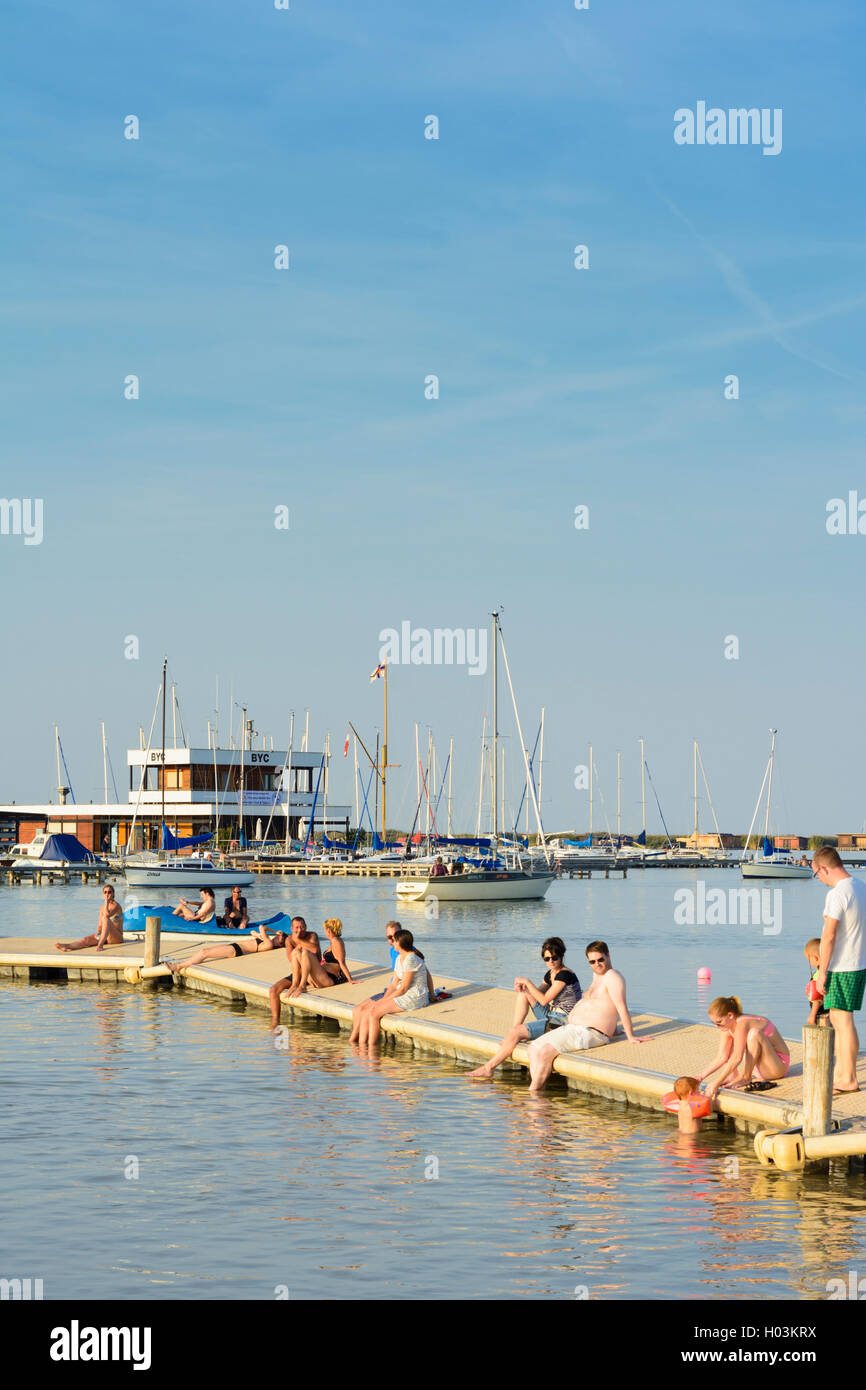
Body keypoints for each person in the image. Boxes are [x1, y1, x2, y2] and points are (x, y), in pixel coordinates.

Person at [524, 941, 643, 1092]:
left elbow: (621, 1007)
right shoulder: (597, 976)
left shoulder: (613, 977)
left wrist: (630, 1035)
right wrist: (614, 1027)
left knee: (546, 1051)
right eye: (592, 962)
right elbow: (602, 1005)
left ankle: (534, 1095)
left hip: (591, 1032)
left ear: (608, 955)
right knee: (533, 1048)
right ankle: (539, 1092)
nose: (597, 964)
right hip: (574, 1028)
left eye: (600, 959)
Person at [466, 937, 581, 1078]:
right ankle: (512, 1034)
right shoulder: (550, 973)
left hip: (562, 1021)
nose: (551, 961)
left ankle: (489, 1068)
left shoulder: (565, 975)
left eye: (554, 958)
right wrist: (524, 988)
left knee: (518, 1030)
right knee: (524, 993)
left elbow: (544, 1000)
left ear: (562, 956)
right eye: (547, 959)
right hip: (552, 1015)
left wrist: (527, 981)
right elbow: (536, 993)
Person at [812, 845, 866, 1094]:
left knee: (841, 1020)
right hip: (858, 963)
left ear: (824, 868)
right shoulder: (861, 886)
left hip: (843, 965)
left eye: (816, 874)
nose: (819, 879)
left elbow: (829, 935)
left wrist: (822, 971)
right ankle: (845, 1074)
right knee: (842, 1019)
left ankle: (848, 1079)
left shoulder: (838, 894)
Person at [351, 929, 430, 1046]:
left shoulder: (411, 959)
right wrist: (383, 999)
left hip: (414, 996)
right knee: (370, 1008)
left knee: (374, 1013)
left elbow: (403, 988)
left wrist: (384, 1001)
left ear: (400, 943)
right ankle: (360, 1044)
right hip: (404, 993)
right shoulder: (399, 958)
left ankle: (370, 1049)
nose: (392, 942)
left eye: (395, 940)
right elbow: (394, 984)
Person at [698, 996, 789, 1097]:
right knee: (735, 1043)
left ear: (730, 1015)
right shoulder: (727, 1026)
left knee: (754, 1033)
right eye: (714, 1023)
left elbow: (737, 1057)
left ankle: (745, 1077)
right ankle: (736, 1075)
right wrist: (700, 1077)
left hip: (777, 1067)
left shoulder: (743, 1024)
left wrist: (717, 1082)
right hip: (760, 1068)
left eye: (719, 1022)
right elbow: (722, 1057)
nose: (717, 1026)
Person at [165, 926, 287, 974]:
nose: (277, 936)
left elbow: (261, 927)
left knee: (204, 953)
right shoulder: (267, 941)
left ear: (280, 944)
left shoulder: (269, 944)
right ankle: (181, 964)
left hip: (236, 950)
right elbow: (253, 931)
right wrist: (258, 935)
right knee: (204, 950)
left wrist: (273, 931)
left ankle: (178, 966)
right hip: (234, 947)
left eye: (279, 937)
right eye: (278, 935)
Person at [268, 917, 320, 1027]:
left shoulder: (312, 936)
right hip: (297, 973)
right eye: (296, 927)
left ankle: (300, 985)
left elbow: (314, 950)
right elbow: (292, 960)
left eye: (302, 927)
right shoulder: (289, 940)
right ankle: (275, 1021)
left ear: (305, 927)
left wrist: (299, 941)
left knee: (300, 952)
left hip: (312, 972)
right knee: (273, 990)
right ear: (291, 928)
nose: (299, 930)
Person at [288, 917, 356, 994]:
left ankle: (303, 986)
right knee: (295, 952)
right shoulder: (333, 941)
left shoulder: (336, 941)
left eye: (325, 929)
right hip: (321, 976)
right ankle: (294, 984)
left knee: (306, 953)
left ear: (328, 930)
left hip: (329, 978)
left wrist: (350, 979)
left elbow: (341, 962)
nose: (325, 932)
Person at [55, 884, 125, 952]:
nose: (107, 894)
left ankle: (100, 945)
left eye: (109, 892)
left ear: (113, 894)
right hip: (105, 937)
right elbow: (100, 925)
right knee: (86, 940)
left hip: (116, 938)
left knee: (106, 919)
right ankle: (66, 946)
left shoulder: (116, 906)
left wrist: (106, 902)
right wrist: (97, 935)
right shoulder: (102, 908)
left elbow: (107, 915)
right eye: (105, 892)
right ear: (103, 894)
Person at [804, 937, 830, 1028]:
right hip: (830, 1012)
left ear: (815, 958)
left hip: (821, 1014)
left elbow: (817, 998)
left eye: (809, 959)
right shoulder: (829, 972)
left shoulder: (818, 976)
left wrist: (812, 1015)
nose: (810, 963)